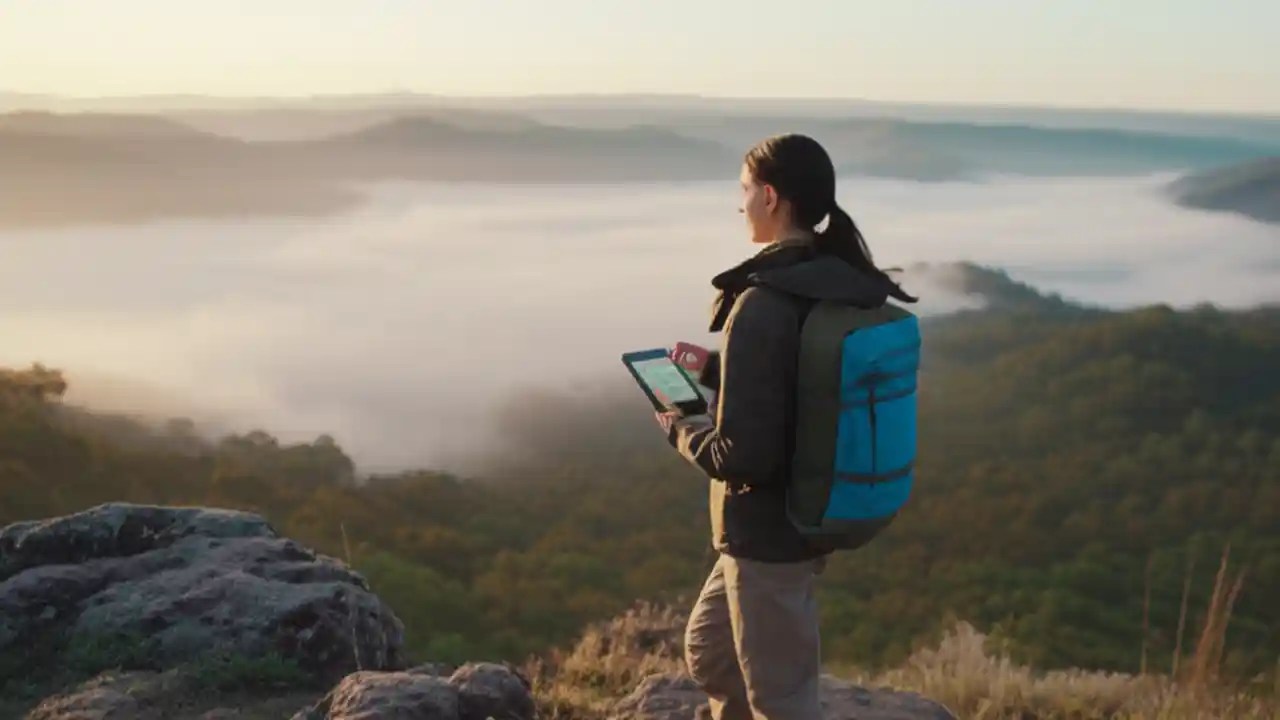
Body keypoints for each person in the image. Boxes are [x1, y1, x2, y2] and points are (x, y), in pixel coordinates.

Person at [656, 134, 915, 720]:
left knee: (783, 701)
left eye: (744, 191)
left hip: (770, 534)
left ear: (770, 197)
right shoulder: (832, 278)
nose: (740, 204)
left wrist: (680, 427)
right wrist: (718, 367)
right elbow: (802, 381)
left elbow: (741, 456)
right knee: (712, 652)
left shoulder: (765, 301)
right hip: (792, 516)